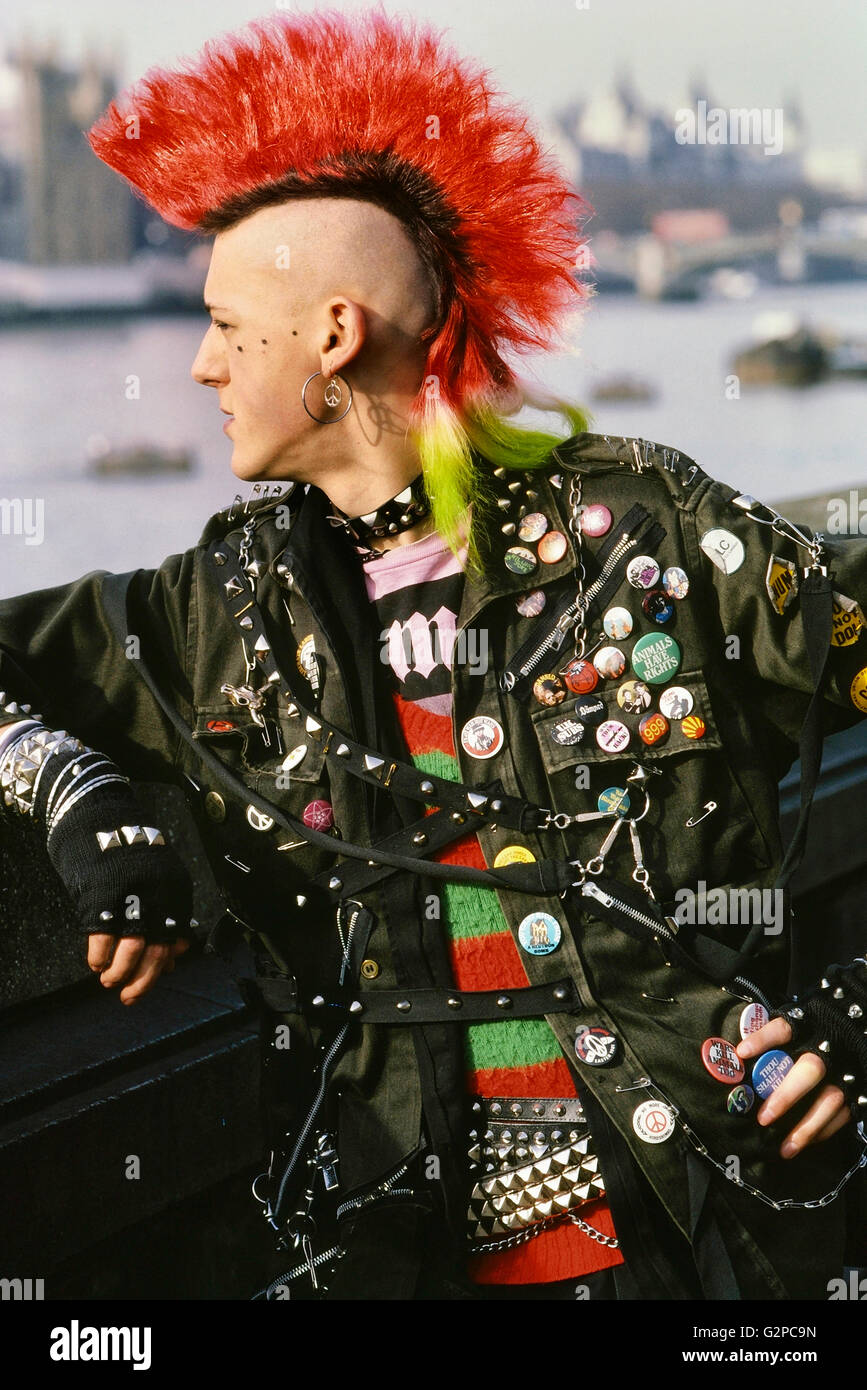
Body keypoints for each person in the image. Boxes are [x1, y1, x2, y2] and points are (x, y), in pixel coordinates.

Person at [1, 9, 865, 1302]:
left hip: (710, 1240)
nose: (196, 364)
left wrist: (859, 1010)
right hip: (388, 1252)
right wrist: (80, 795)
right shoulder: (214, 606)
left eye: (231, 329)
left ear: (334, 339)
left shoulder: (645, 529)